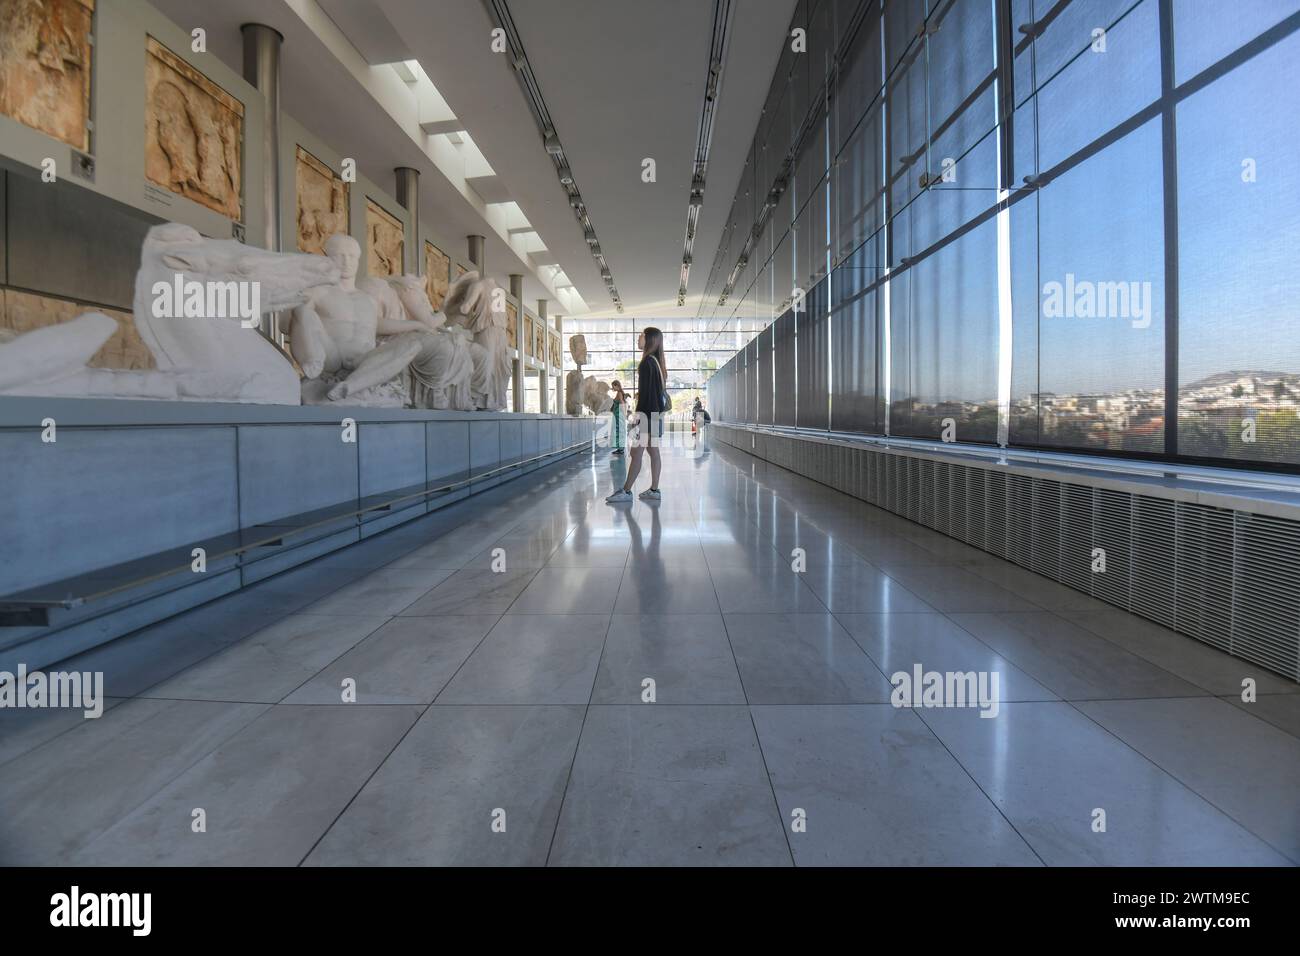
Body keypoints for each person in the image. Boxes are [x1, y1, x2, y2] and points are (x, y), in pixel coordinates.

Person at [606, 327, 667, 503]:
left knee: (636, 452)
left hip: (647, 416)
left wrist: (639, 417)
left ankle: (626, 491)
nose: (638, 338)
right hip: (654, 415)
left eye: (641, 335)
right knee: (652, 451)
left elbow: (646, 394)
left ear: (649, 339)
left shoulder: (647, 362)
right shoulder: (655, 362)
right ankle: (654, 490)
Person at [609, 379, 628, 456]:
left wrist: (624, 414)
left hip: (619, 415)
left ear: (617, 385)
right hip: (618, 414)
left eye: (613, 386)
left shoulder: (619, 393)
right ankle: (620, 448)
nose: (612, 388)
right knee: (619, 430)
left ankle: (620, 449)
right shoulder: (620, 393)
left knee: (618, 431)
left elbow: (621, 402)